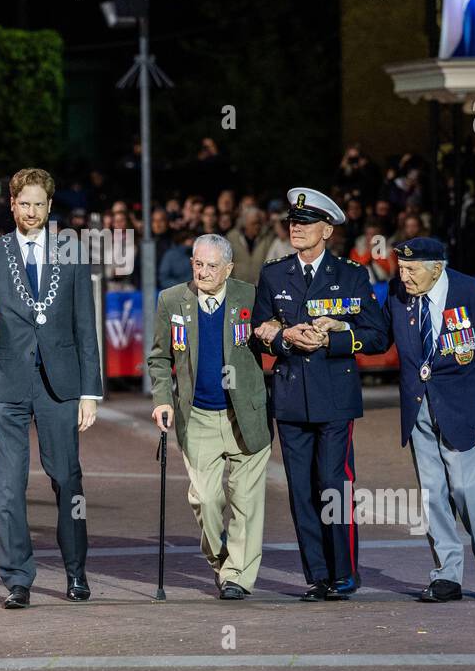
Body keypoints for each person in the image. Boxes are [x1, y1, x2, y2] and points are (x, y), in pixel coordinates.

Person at [0, 167, 102, 609]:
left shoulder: (70, 249)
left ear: (50, 207)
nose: (32, 211)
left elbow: (85, 325)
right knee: (9, 487)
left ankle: (76, 571)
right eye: (24, 203)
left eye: (39, 204)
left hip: (61, 386)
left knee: (67, 480)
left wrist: (90, 392)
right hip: (8, 384)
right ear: (12, 205)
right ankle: (17, 578)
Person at [339, 238, 475, 602]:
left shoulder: (473, 295)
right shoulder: (400, 296)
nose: (404, 277)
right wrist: (341, 332)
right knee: (433, 495)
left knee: (465, 492)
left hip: (468, 413)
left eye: (412, 270)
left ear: (437, 268)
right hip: (419, 411)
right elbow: (378, 340)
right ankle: (447, 575)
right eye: (401, 269)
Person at [253, 187, 388, 601]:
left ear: (327, 229)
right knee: (301, 490)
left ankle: (344, 572)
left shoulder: (350, 274)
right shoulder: (274, 273)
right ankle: (318, 575)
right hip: (292, 396)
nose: (296, 228)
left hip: (333, 395)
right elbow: (258, 332)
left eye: (306, 223)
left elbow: (378, 336)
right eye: (293, 222)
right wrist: (283, 338)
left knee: (333, 483)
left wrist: (336, 336)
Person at [146, 234, 271, 600]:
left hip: (244, 415)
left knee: (246, 502)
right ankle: (222, 561)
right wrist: (162, 399)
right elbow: (159, 357)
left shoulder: (249, 296)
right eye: (198, 264)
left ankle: (238, 577)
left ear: (228, 269)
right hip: (197, 415)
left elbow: (272, 336)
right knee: (205, 500)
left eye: (212, 266)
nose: (203, 271)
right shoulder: (171, 300)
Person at [225, 206, 274, 285]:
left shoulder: (267, 238)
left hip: (260, 287)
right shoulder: (232, 237)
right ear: (245, 224)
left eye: (259, 223)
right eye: (253, 223)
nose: (257, 226)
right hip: (238, 287)